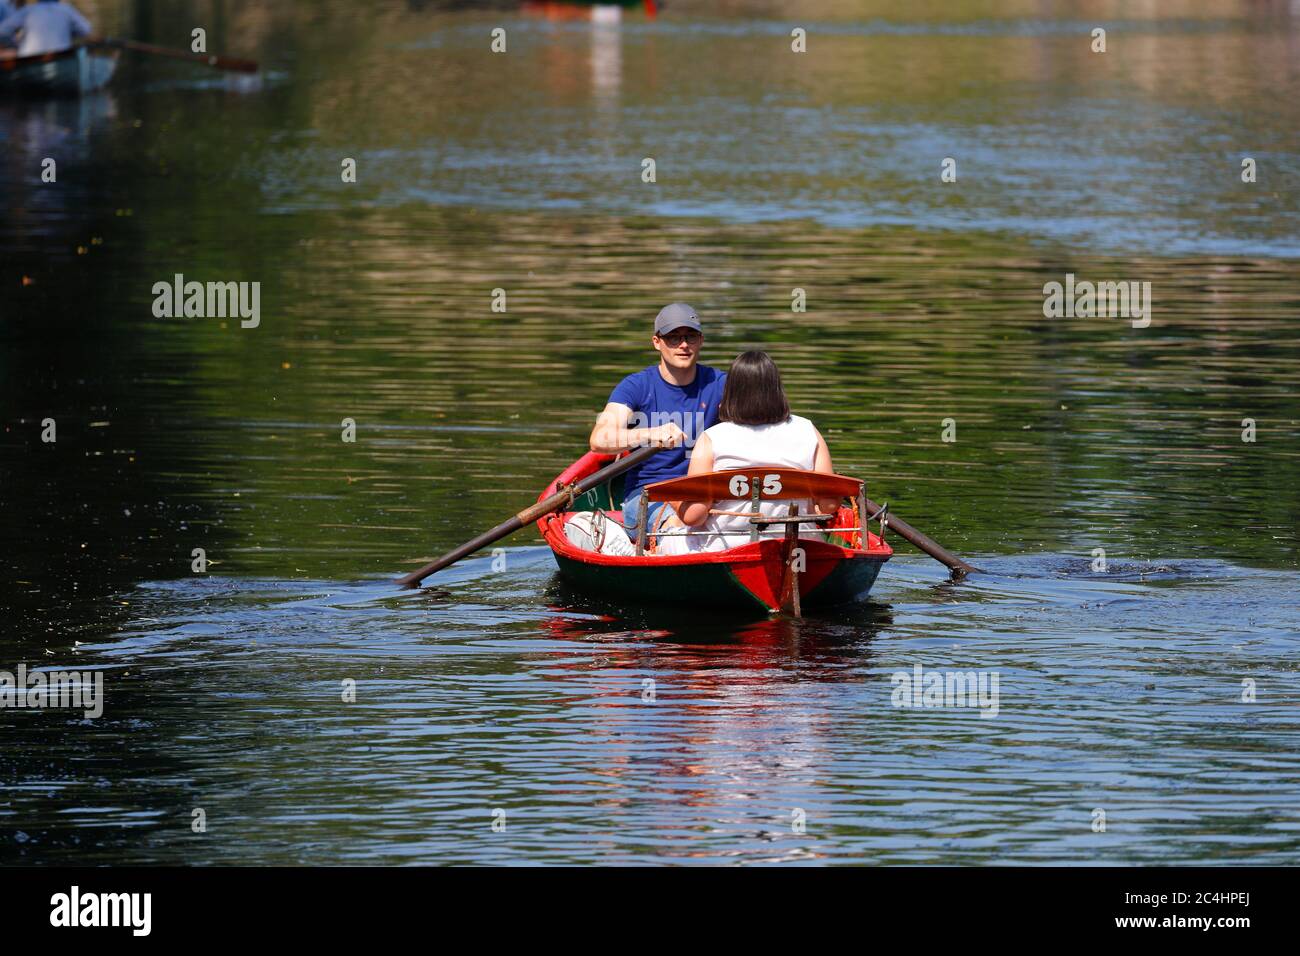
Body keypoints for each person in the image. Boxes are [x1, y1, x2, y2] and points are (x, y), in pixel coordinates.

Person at [656, 350, 840, 554]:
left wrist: (671, 497)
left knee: (667, 531)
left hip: (725, 549)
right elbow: (829, 505)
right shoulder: (808, 430)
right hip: (800, 547)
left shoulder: (712, 438)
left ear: (731, 391)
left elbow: (694, 516)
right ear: (776, 389)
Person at [588, 303, 726, 536]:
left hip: (703, 493)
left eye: (690, 337)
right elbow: (599, 439)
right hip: (649, 495)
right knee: (686, 529)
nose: (683, 345)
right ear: (656, 342)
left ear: (700, 340)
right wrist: (651, 433)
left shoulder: (720, 383)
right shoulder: (636, 386)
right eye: (673, 338)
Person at [0, 0, 92, 58]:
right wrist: (68, 32)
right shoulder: (67, 10)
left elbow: (2, 31)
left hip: (28, 59)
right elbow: (86, 30)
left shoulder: (28, 10)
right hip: (59, 57)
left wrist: (14, 44)